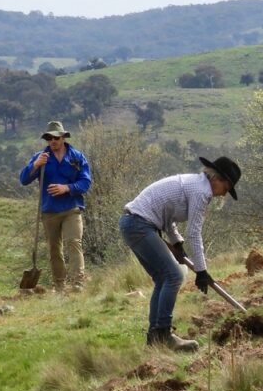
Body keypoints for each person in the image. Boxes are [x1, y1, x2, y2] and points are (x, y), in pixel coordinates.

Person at [119, 156, 241, 351]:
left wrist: (176, 243)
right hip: (140, 225)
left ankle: (156, 338)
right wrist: (201, 270)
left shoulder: (193, 184)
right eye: (226, 188)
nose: (224, 194)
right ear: (217, 179)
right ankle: (163, 333)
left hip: (133, 224)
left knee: (163, 278)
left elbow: (168, 215)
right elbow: (194, 233)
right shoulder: (202, 191)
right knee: (173, 275)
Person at [19, 120, 92, 291]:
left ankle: (77, 283)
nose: (53, 141)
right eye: (49, 138)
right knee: (54, 249)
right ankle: (59, 285)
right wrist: (35, 165)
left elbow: (85, 183)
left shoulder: (76, 157)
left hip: (71, 209)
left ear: (63, 138)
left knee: (74, 242)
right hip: (49, 211)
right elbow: (23, 180)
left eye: (56, 138)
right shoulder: (40, 158)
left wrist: (66, 188)